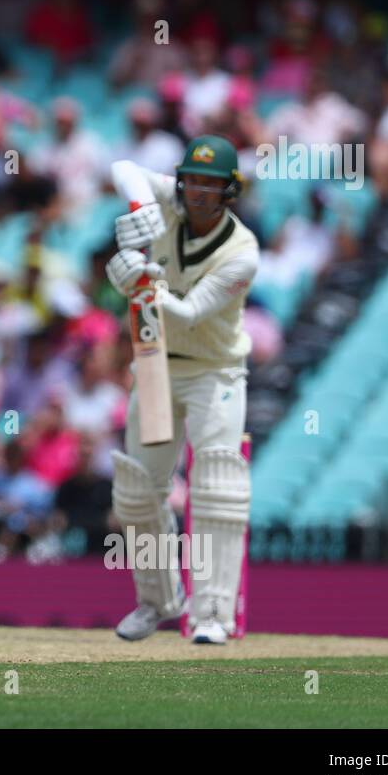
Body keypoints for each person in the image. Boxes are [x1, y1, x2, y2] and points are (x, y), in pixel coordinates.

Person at [103, 136, 258, 645]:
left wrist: (141, 282)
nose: (198, 191)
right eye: (192, 179)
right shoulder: (171, 196)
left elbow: (190, 312)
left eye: (212, 184)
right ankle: (157, 601)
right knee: (135, 491)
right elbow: (123, 164)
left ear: (228, 191)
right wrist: (142, 207)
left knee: (217, 484)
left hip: (215, 371)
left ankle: (212, 612)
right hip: (153, 364)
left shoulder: (243, 253)